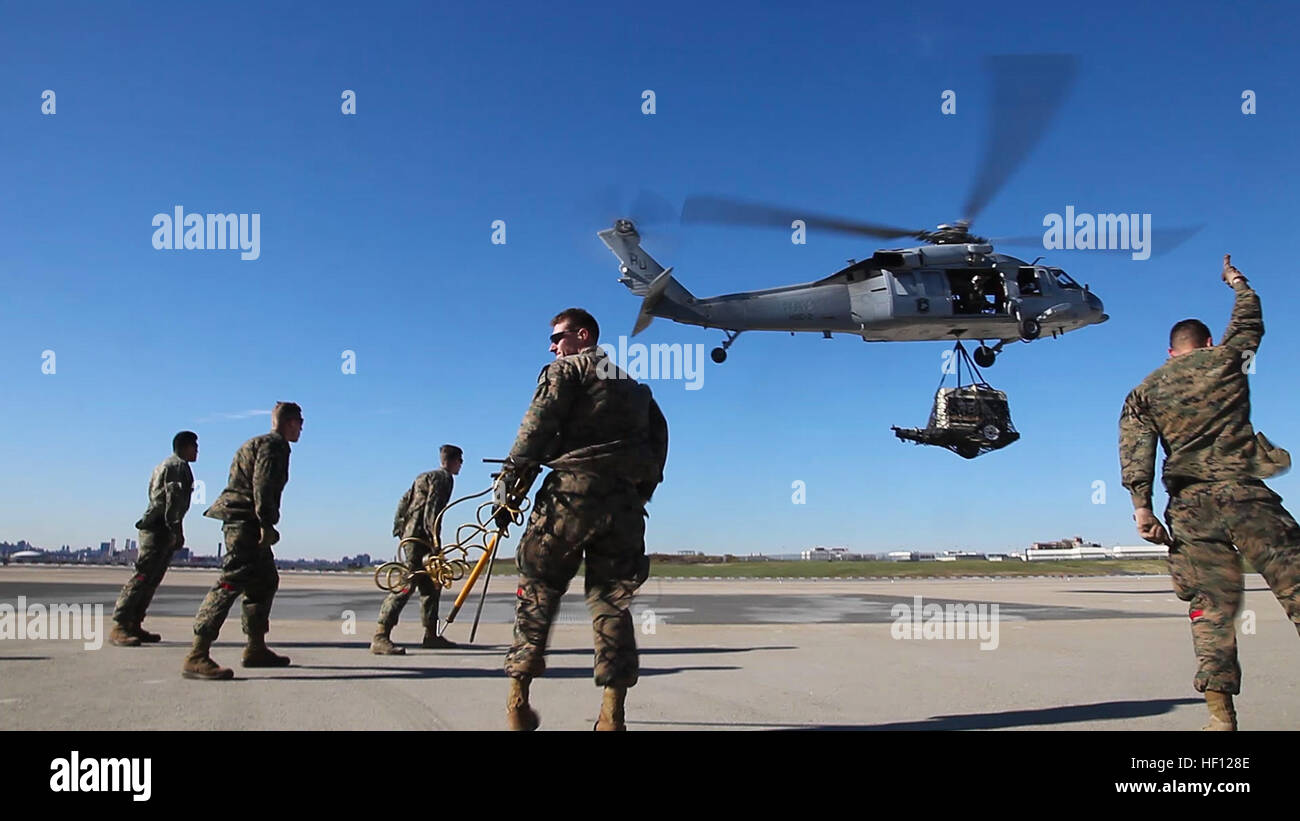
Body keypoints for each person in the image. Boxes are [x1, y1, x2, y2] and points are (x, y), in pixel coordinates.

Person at [1119, 255, 1298, 730]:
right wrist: (1237, 282)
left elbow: (1136, 450)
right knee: (1296, 586)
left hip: (1190, 508)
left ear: (1170, 350)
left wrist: (1142, 508)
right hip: (1244, 495)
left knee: (1211, 611)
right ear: (1209, 343)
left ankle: (1221, 718)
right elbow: (1251, 319)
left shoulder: (1146, 390)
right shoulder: (1227, 360)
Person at [498, 308, 668, 731]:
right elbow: (659, 444)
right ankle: (612, 716)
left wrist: (510, 484)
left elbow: (535, 427)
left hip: (569, 498)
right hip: (624, 506)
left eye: (557, 337)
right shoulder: (637, 389)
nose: (553, 346)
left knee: (537, 588)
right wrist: (637, 493)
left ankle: (518, 702)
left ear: (583, 335)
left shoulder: (566, 371)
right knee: (613, 604)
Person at [181, 402, 303, 680]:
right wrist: (266, 523)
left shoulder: (253, 443)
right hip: (246, 522)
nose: (302, 428)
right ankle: (197, 653)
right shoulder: (275, 445)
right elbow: (263, 485)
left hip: (240, 518)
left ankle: (255, 647)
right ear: (288, 422)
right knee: (230, 581)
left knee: (265, 580)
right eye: (299, 422)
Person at [371, 444, 464, 654]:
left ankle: (431, 635)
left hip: (411, 534)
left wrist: (399, 528)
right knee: (408, 582)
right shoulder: (444, 478)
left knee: (431, 585)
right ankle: (380, 635)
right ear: (452, 461)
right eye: (460, 461)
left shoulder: (424, 476)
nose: (461, 465)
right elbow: (433, 509)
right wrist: (435, 542)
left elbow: (404, 501)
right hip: (421, 538)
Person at [110, 431, 198, 646]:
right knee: (143, 578)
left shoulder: (164, 465)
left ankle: (134, 623)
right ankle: (120, 624)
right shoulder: (178, 467)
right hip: (159, 529)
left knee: (151, 580)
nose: (197, 451)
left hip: (159, 527)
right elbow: (173, 502)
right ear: (184, 447)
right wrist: (176, 530)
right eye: (194, 446)